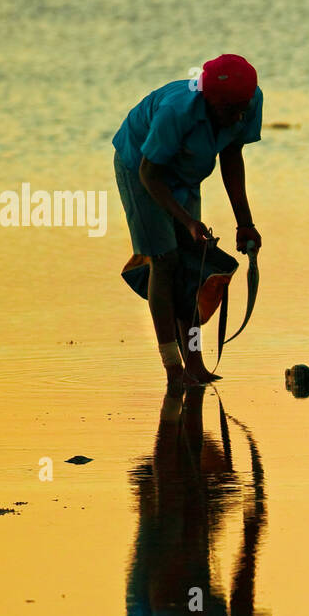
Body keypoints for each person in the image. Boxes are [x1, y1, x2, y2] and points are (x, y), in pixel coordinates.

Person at [113, 54, 264, 386]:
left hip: (185, 173)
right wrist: (187, 221)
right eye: (230, 110)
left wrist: (245, 223)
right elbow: (149, 174)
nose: (239, 115)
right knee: (165, 261)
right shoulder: (175, 113)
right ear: (209, 100)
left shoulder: (247, 101)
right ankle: (173, 368)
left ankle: (195, 362)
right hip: (142, 169)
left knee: (191, 266)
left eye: (243, 108)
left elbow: (232, 157)